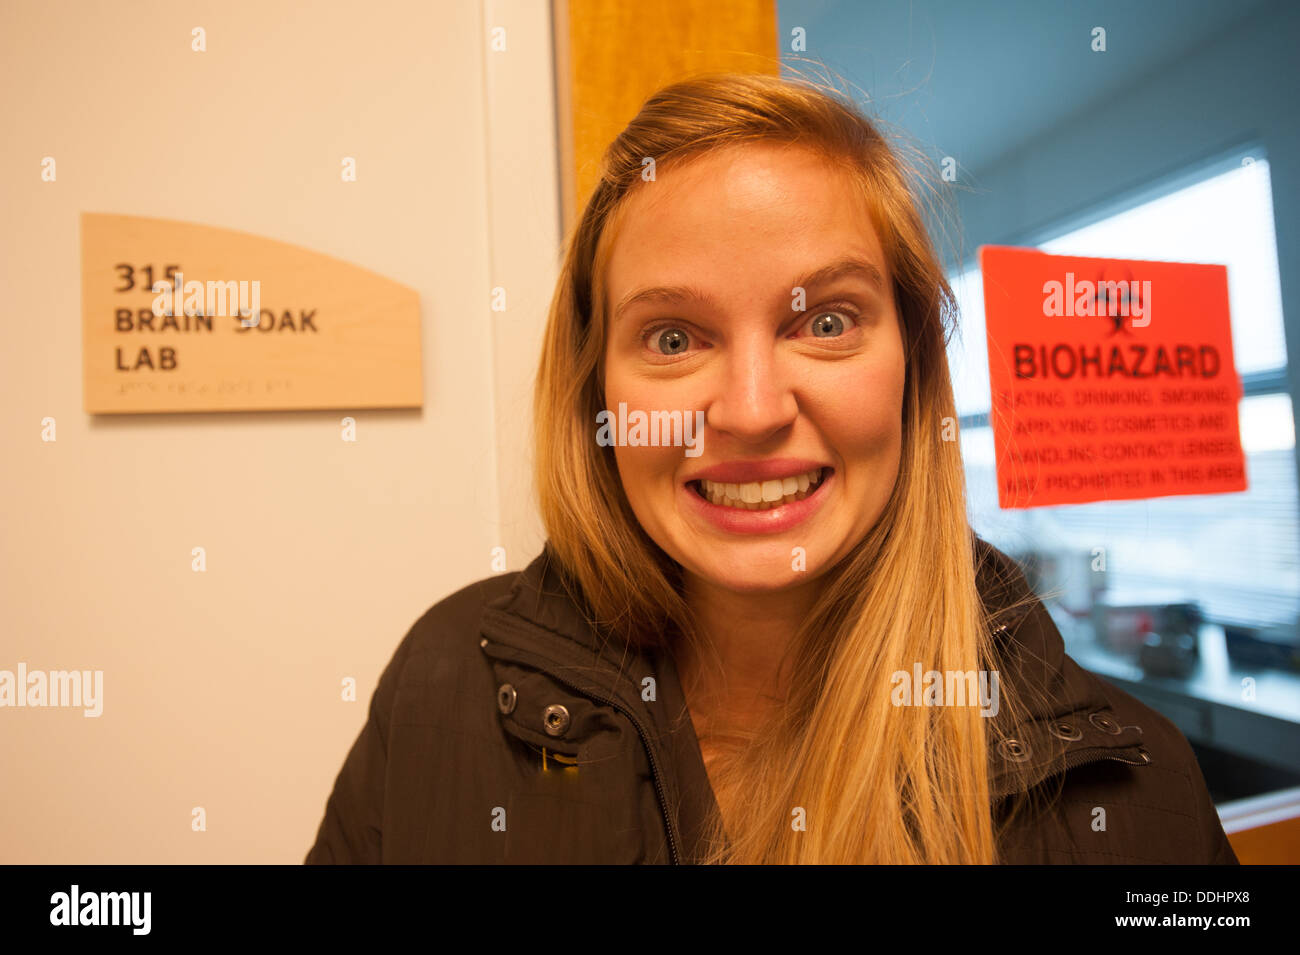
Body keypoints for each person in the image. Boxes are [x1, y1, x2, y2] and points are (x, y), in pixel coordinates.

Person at [305, 71, 1238, 864]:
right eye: (674, 336)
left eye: (826, 322)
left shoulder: (1130, 793)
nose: (751, 410)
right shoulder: (442, 685)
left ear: (914, 369)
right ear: (595, 392)